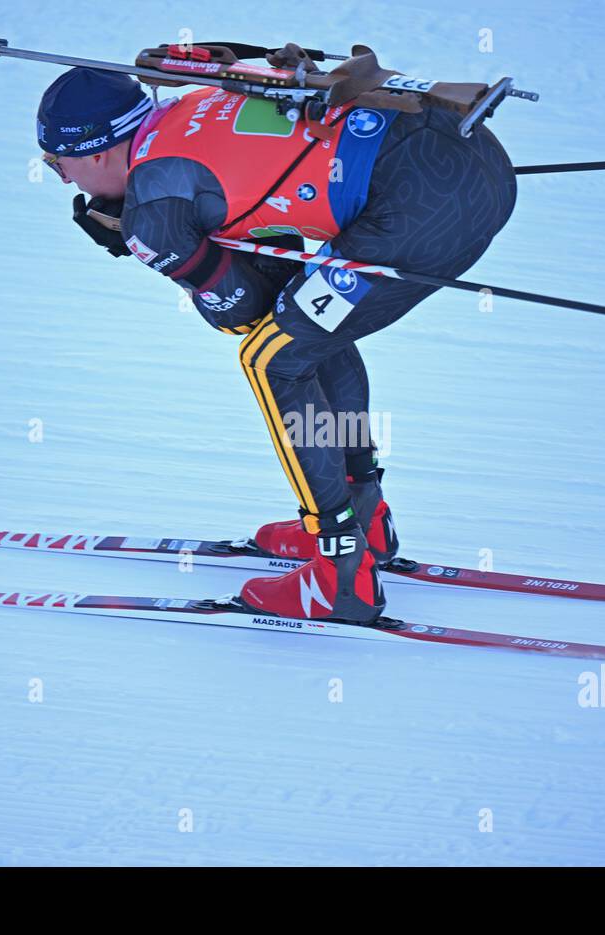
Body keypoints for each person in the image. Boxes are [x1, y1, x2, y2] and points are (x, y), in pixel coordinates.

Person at [37, 60, 516, 624]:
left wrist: (164, 250)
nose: (64, 180)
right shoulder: (192, 103)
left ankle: (341, 575)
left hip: (420, 212)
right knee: (306, 330)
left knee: (271, 358)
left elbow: (240, 309)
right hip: (470, 157)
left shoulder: (154, 209)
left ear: (96, 152)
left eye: (57, 163)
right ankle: (361, 515)